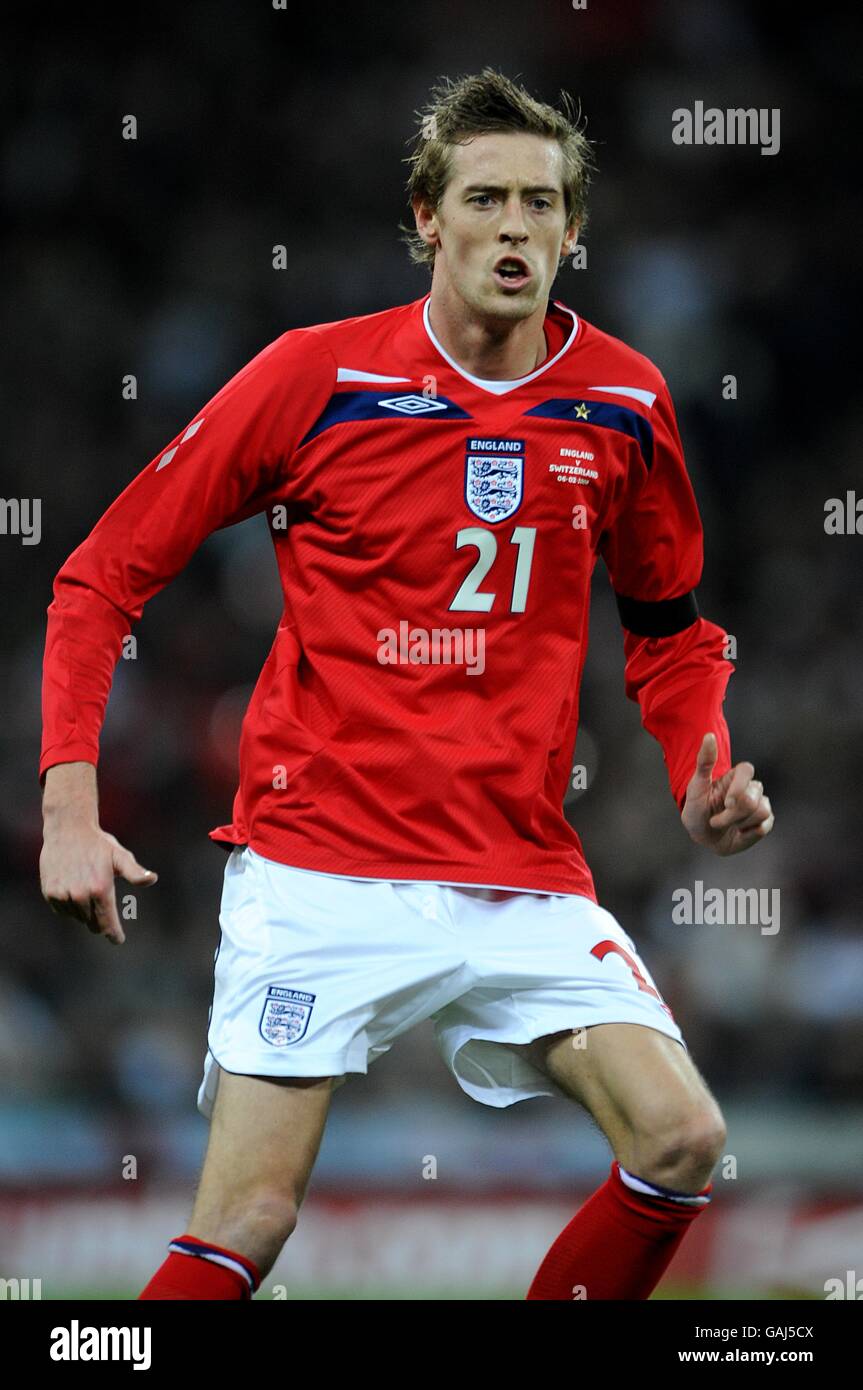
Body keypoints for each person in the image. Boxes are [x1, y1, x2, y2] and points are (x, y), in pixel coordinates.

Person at [38, 68, 774, 1301]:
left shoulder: (625, 400)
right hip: (320, 866)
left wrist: (697, 762)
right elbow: (100, 578)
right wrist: (70, 809)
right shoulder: (315, 378)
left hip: (519, 868)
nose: (515, 228)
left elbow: (669, 631)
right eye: (485, 199)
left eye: (541, 203)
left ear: (573, 228)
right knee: (251, 1215)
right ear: (427, 217)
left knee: (681, 1138)